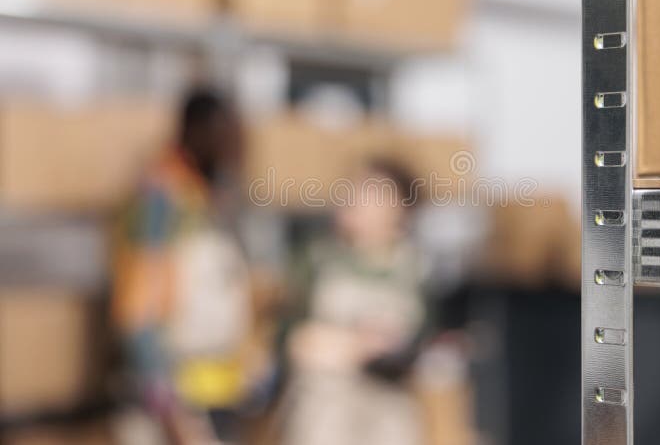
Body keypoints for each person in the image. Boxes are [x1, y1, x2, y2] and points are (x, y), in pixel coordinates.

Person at [112, 86, 251, 444]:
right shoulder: (160, 196)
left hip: (212, 395)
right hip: (174, 404)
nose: (235, 149)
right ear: (198, 133)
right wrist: (164, 399)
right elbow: (137, 307)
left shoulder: (203, 194)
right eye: (226, 136)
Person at [283, 158, 429, 445]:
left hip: (388, 418)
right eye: (354, 189)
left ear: (400, 207)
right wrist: (355, 344)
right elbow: (288, 337)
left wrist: (395, 348)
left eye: (372, 192)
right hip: (325, 415)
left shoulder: (415, 270)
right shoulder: (318, 260)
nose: (355, 199)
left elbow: (427, 343)